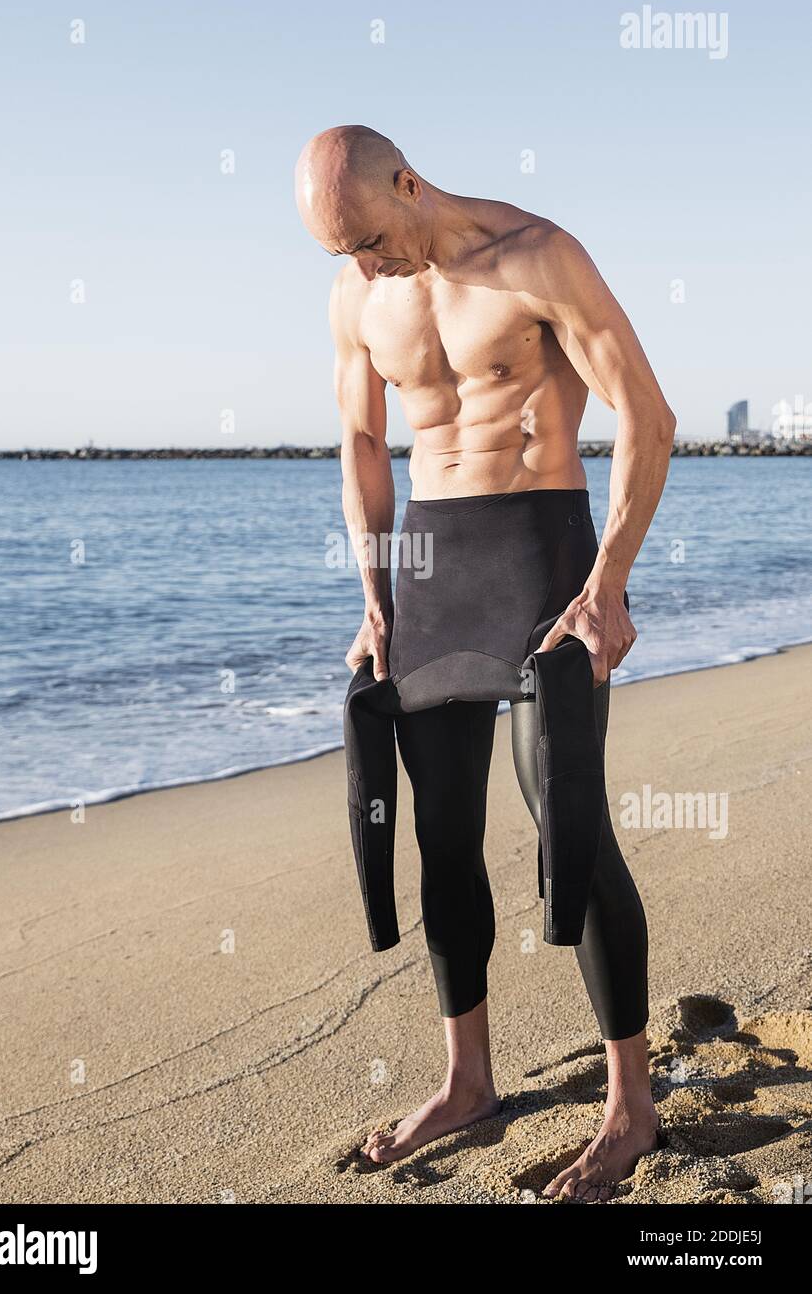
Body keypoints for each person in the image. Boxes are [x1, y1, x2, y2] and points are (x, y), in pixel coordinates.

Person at [294, 125, 676, 1202]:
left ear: (407, 184)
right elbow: (365, 445)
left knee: (568, 815)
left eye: (370, 238)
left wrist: (606, 582)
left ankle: (630, 1104)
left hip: (540, 551)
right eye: (343, 254)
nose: (365, 266)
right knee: (439, 831)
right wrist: (371, 591)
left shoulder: (534, 255)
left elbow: (647, 418)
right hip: (428, 567)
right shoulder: (356, 297)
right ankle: (467, 1080)